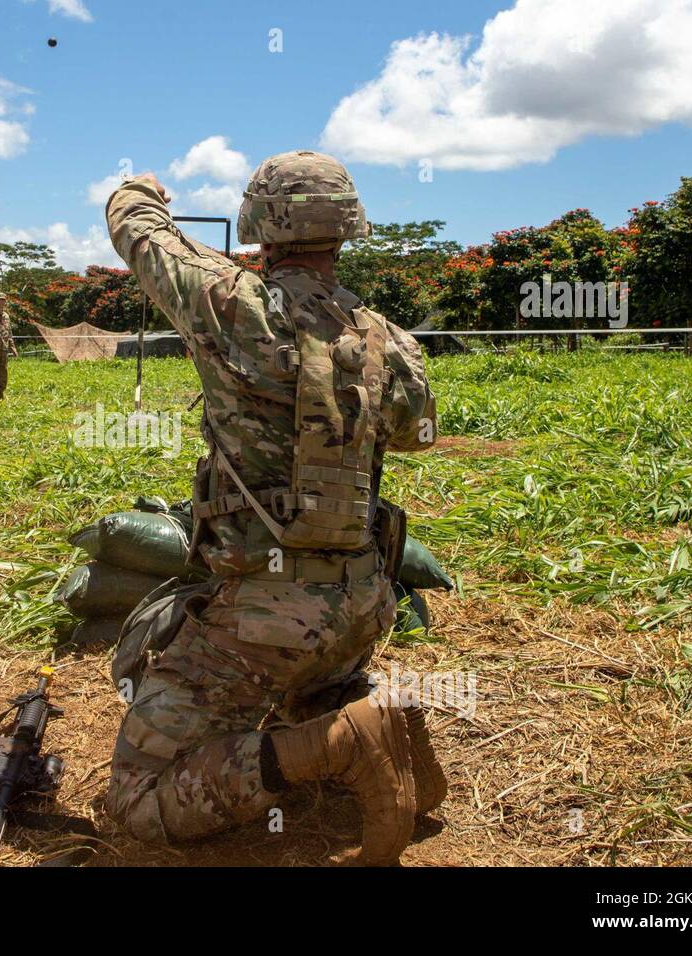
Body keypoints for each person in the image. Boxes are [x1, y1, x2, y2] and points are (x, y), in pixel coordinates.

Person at [102, 151, 444, 864]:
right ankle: (359, 706)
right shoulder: (391, 340)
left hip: (262, 620)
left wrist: (140, 190)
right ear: (346, 230)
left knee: (135, 804)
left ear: (260, 226)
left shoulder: (232, 303)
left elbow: (139, 235)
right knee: (279, 675)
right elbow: (414, 435)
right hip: (358, 605)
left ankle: (336, 743)